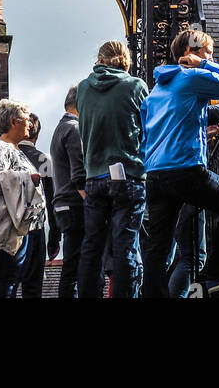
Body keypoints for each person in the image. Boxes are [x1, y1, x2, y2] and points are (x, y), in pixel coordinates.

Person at [140, 28, 219, 298]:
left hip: (155, 175)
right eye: (206, 51)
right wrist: (205, 65)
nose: (210, 55)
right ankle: (218, 276)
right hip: (185, 170)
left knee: (158, 248)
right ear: (189, 52)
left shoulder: (156, 91)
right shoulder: (191, 76)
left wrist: (201, 126)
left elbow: (151, 134)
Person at [76, 39, 149, 299]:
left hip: (94, 176)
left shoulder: (83, 89)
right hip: (128, 174)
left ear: (99, 60)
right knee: (125, 246)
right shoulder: (135, 86)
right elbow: (148, 128)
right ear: (126, 61)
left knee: (92, 245)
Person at [0, 100, 46, 298]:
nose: (30, 124)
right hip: (12, 228)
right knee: (7, 279)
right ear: (13, 121)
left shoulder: (14, 149)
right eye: (26, 120)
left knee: (16, 279)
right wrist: (28, 178)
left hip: (27, 227)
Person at [16, 113, 58, 298]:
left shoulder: (10, 155)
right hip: (35, 228)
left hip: (11, 227)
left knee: (8, 282)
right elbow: (52, 201)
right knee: (32, 288)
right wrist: (54, 238)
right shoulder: (43, 160)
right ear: (37, 135)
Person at [50, 86, 87, 298]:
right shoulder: (75, 128)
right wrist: (90, 201)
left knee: (71, 263)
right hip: (75, 203)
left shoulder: (60, 127)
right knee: (76, 265)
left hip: (63, 204)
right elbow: (78, 173)